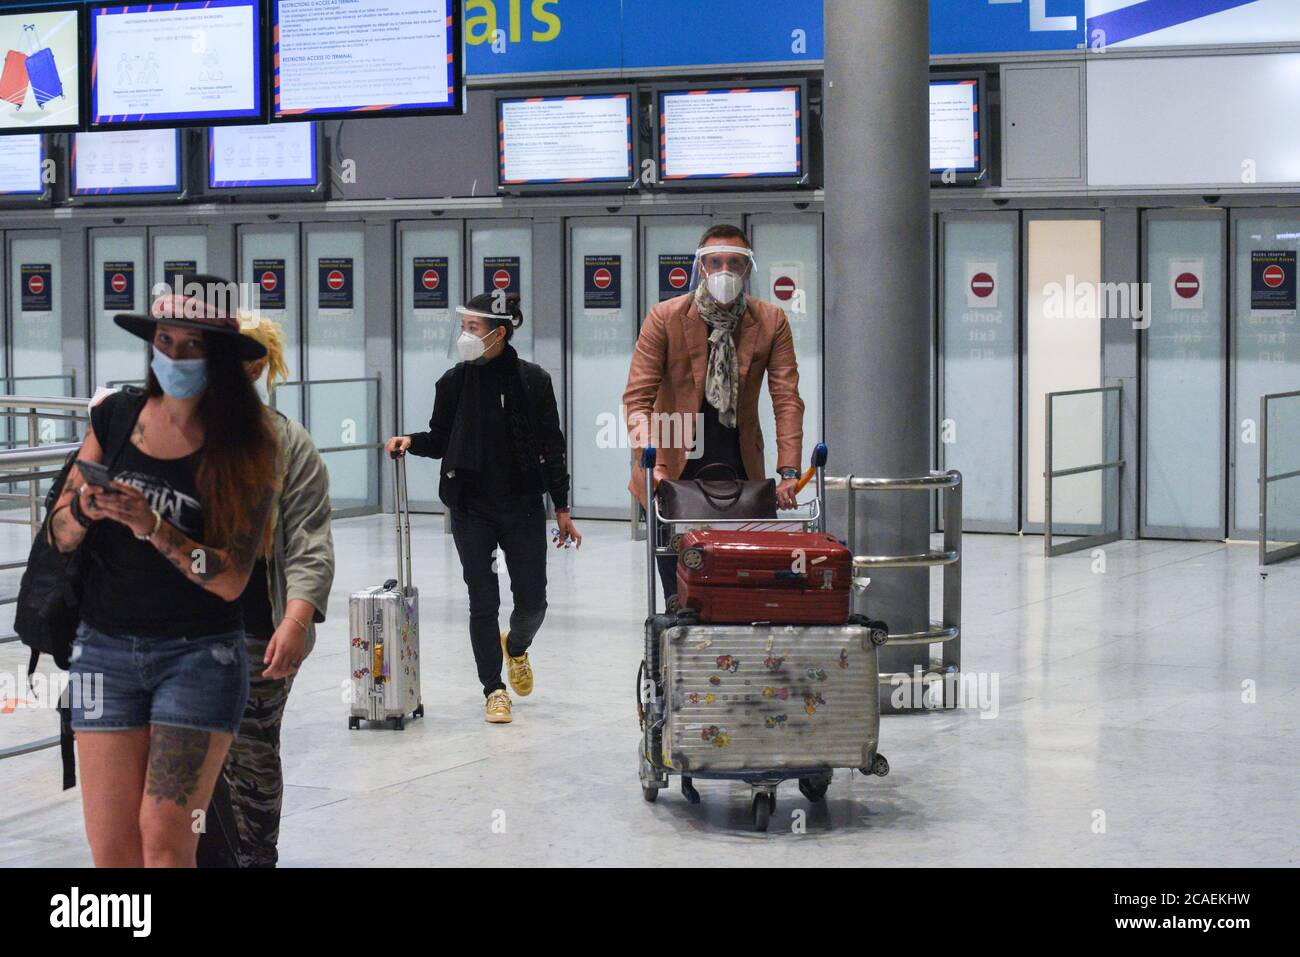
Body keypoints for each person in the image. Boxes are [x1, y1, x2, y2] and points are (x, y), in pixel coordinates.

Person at [49, 275, 278, 867]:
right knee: (113, 847)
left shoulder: (249, 445)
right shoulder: (117, 418)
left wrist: (154, 526)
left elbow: (229, 575)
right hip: (102, 652)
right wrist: (85, 505)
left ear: (221, 357)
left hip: (199, 657)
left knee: (168, 842)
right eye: (165, 341)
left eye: (191, 345)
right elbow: (56, 534)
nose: (174, 356)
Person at [386, 293, 579, 724]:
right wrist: (411, 442)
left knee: (533, 603)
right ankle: (493, 689)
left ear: (500, 333)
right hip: (471, 507)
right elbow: (439, 439)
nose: (466, 336)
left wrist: (562, 506)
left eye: (474, 328)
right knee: (482, 601)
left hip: (524, 506)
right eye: (465, 327)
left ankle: (517, 647)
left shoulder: (533, 381)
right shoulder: (452, 382)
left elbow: (552, 448)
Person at [197, 313, 336, 868]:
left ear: (254, 367)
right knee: (189, 754)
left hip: (259, 628)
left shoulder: (287, 444)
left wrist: (296, 621)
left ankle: (256, 857)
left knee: (251, 752)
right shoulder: (177, 433)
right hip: (183, 630)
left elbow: (310, 543)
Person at [622, 224, 806, 609]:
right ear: (701, 267)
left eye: (735, 263)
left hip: (740, 467)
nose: (725, 271)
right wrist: (647, 460)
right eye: (716, 262)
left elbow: (786, 398)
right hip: (672, 467)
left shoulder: (771, 321)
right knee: (678, 592)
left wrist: (789, 472)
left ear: (747, 269)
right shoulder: (665, 317)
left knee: (737, 582)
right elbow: (637, 399)